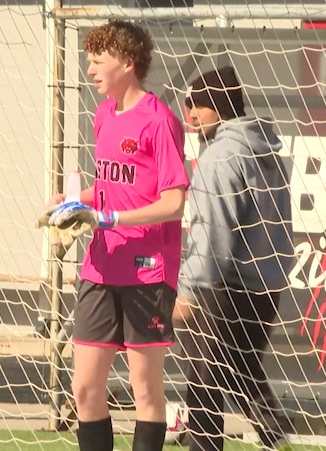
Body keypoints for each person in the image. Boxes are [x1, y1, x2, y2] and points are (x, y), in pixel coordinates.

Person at [40, 20, 189, 451]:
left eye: (98, 61)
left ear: (127, 63)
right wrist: (71, 202)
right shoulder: (104, 114)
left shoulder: (160, 121)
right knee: (85, 390)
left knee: (144, 389)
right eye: (87, 61)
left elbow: (174, 202)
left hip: (146, 273)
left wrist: (108, 218)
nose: (90, 70)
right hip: (100, 267)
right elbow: (107, 189)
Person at [175, 66, 294, 450]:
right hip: (267, 288)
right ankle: (279, 443)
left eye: (194, 103)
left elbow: (213, 234)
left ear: (216, 106)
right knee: (244, 376)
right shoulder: (267, 149)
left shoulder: (218, 158)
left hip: (224, 288)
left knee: (204, 384)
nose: (188, 113)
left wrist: (189, 290)